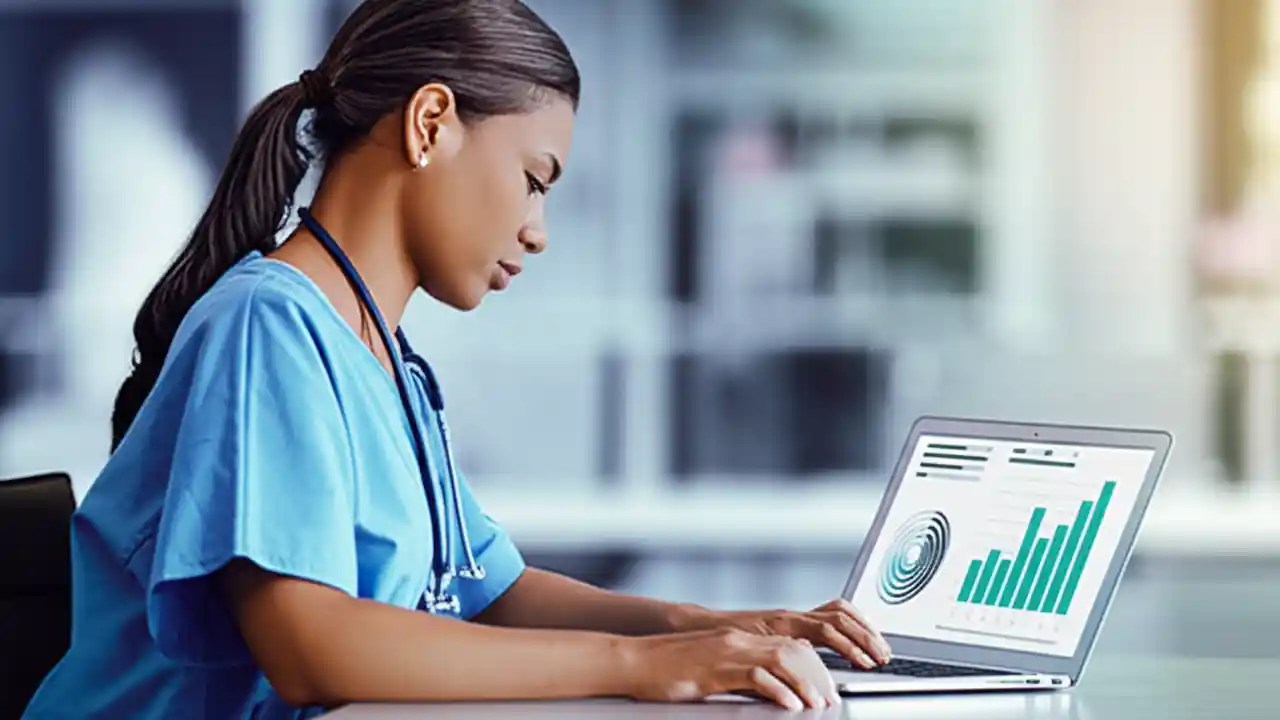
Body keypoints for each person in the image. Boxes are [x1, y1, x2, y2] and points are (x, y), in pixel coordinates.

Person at [22, 1, 890, 717]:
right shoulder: (267, 325)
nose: (538, 231)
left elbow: (491, 591)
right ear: (431, 123)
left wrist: (711, 628)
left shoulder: (387, 362)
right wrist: (638, 665)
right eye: (535, 179)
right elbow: (310, 647)